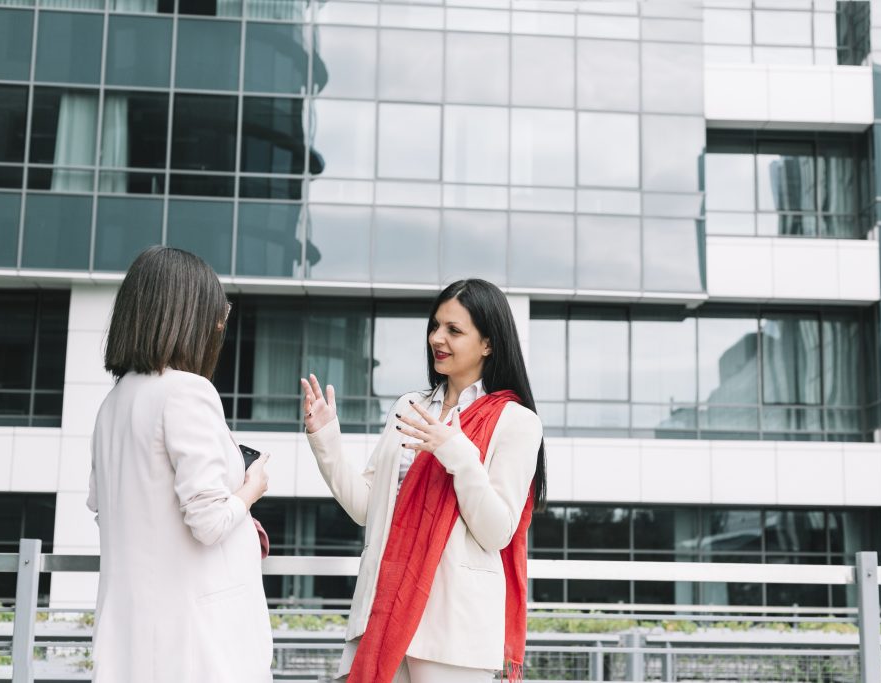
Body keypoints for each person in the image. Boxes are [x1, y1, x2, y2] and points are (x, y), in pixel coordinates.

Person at [302, 278, 546, 683]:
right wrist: (326, 439)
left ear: (488, 343)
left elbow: (496, 530)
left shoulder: (516, 422)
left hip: (454, 629)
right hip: (384, 608)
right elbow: (367, 507)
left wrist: (457, 452)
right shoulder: (409, 407)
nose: (437, 338)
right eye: (435, 326)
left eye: (454, 330)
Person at [87, 246, 273, 682]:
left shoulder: (113, 402)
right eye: (217, 310)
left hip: (132, 635)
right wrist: (250, 489)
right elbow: (207, 522)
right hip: (196, 640)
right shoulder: (188, 392)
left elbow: (104, 507)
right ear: (186, 315)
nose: (220, 323)